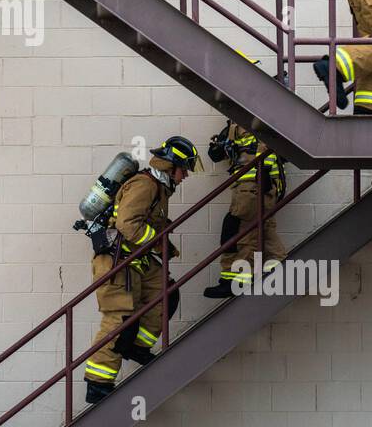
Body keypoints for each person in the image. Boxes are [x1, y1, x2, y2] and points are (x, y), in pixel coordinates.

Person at [83, 137, 201, 404]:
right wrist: (157, 243)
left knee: (166, 294)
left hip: (137, 260)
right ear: (173, 166)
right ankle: (97, 382)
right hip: (117, 262)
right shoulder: (145, 185)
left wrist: (162, 245)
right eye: (185, 170)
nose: (186, 177)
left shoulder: (159, 188)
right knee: (119, 320)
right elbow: (127, 223)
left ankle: (137, 347)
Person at [203, 105, 287, 299]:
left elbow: (267, 143)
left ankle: (238, 280)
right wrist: (218, 147)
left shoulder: (258, 117)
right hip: (252, 186)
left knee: (244, 232)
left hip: (252, 186)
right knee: (264, 229)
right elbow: (225, 151)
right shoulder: (237, 122)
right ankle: (277, 267)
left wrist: (263, 171)